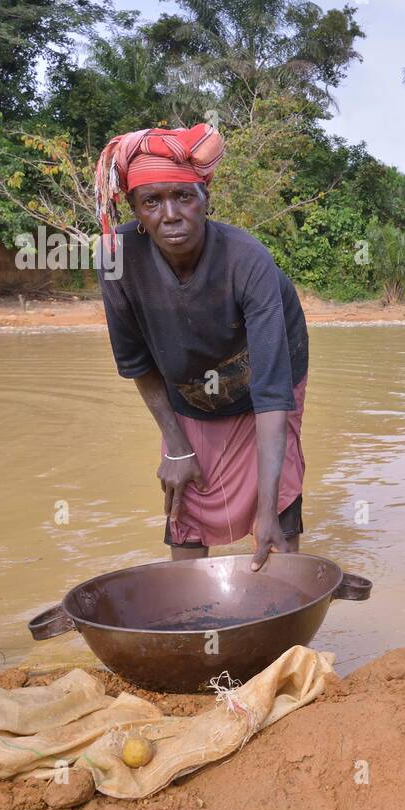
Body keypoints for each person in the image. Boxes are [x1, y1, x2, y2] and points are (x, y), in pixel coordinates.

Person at [94, 123, 310, 571]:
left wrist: (266, 512)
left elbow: (273, 393)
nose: (170, 215)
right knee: (185, 498)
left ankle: (282, 581)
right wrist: (175, 444)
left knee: (276, 509)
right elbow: (136, 361)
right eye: (151, 201)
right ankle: (189, 607)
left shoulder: (247, 259)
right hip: (187, 383)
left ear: (206, 200)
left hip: (263, 377)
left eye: (183, 197)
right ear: (133, 208)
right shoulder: (116, 258)